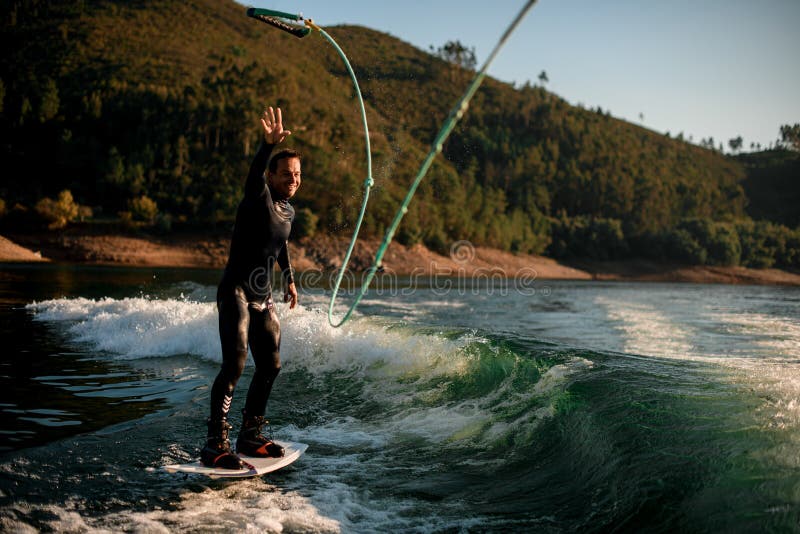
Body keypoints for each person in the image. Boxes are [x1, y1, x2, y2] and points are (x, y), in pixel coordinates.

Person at [201, 106, 301, 469]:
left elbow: (281, 243)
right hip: (237, 292)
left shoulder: (288, 211)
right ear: (271, 176)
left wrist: (289, 278)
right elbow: (252, 177)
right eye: (287, 173)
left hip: (264, 297)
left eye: (298, 174)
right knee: (234, 366)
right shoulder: (256, 197)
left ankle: (250, 434)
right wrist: (266, 146)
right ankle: (215, 443)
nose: (293, 179)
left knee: (271, 365)